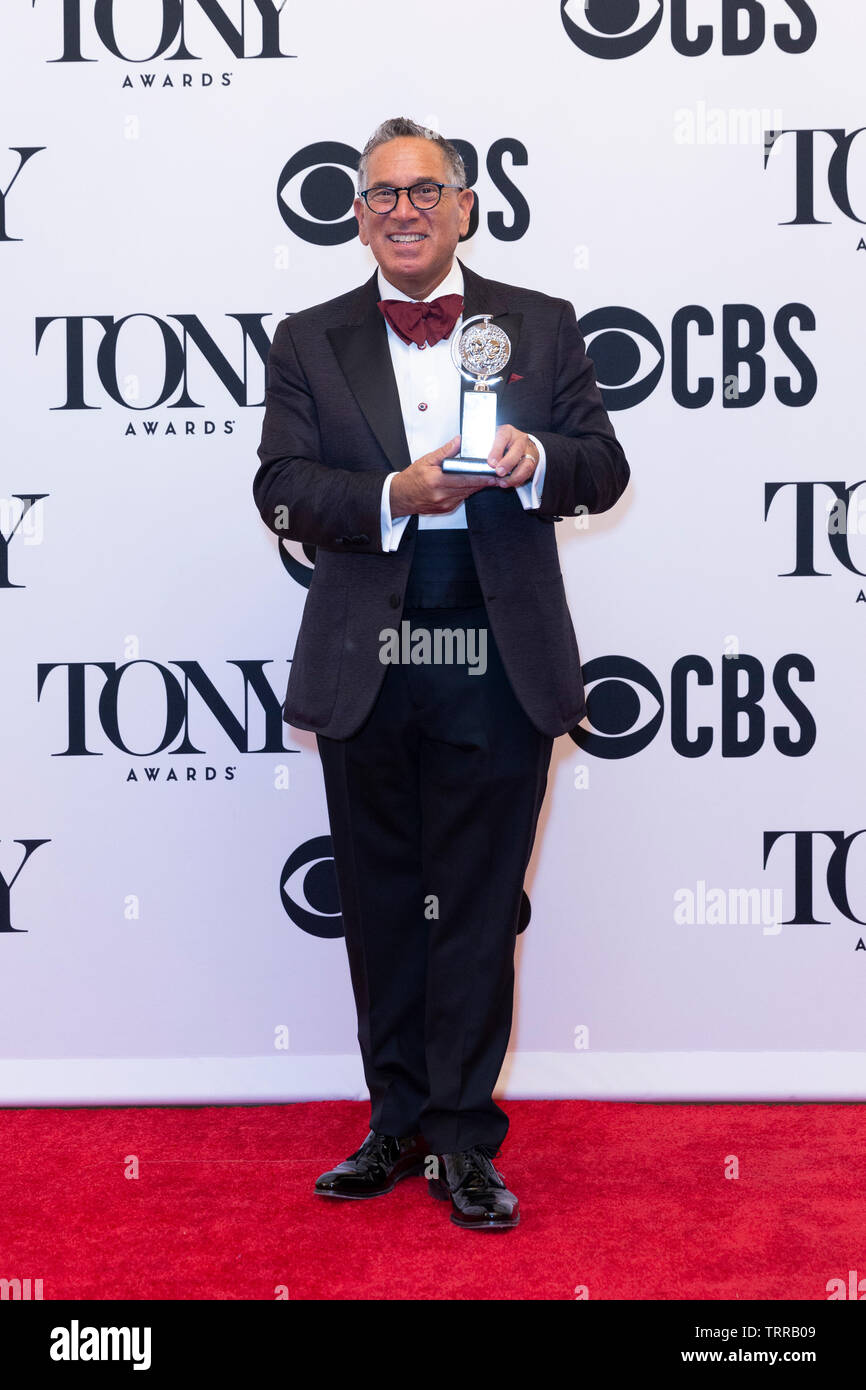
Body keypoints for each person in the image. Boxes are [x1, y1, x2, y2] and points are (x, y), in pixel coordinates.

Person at [254, 117, 629, 1230]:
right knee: (378, 902)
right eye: (381, 194)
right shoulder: (308, 337)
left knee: (471, 903)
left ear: (465, 205)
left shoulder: (541, 326)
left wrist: (536, 461)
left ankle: (465, 1141)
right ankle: (396, 1123)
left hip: (496, 650)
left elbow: (603, 467)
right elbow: (278, 485)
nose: (403, 210)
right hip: (367, 649)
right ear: (357, 214)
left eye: (425, 191)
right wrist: (389, 496)